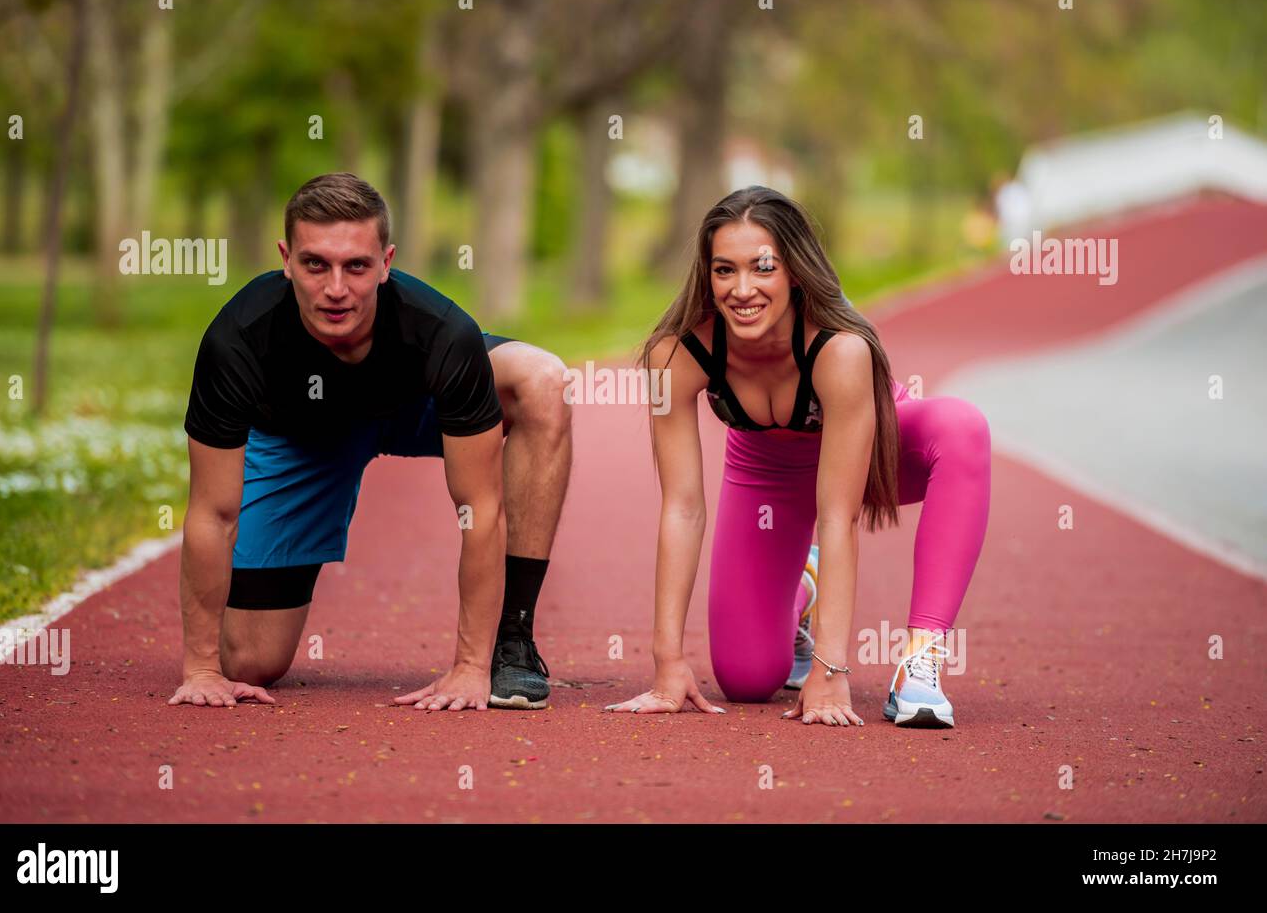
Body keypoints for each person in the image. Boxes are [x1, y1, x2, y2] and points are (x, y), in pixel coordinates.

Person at [167, 173, 571, 712]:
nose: (336, 289)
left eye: (356, 265)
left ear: (387, 263)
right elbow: (212, 514)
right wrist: (201, 670)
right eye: (316, 264)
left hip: (414, 410)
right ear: (286, 260)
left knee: (542, 380)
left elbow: (479, 508)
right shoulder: (237, 340)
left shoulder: (444, 334)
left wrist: (469, 669)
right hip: (301, 439)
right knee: (247, 661)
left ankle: (510, 644)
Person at [606, 186, 990, 728]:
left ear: (793, 270)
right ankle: (801, 589)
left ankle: (919, 660)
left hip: (876, 451)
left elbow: (839, 515)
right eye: (724, 270)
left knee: (963, 427)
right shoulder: (676, 354)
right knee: (747, 678)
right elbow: (683, 508)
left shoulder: (838, 349)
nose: (742, 290)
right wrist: (666, 662)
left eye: (763, 268)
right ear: (705, 274)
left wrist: (831, 671)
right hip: (767, 474)